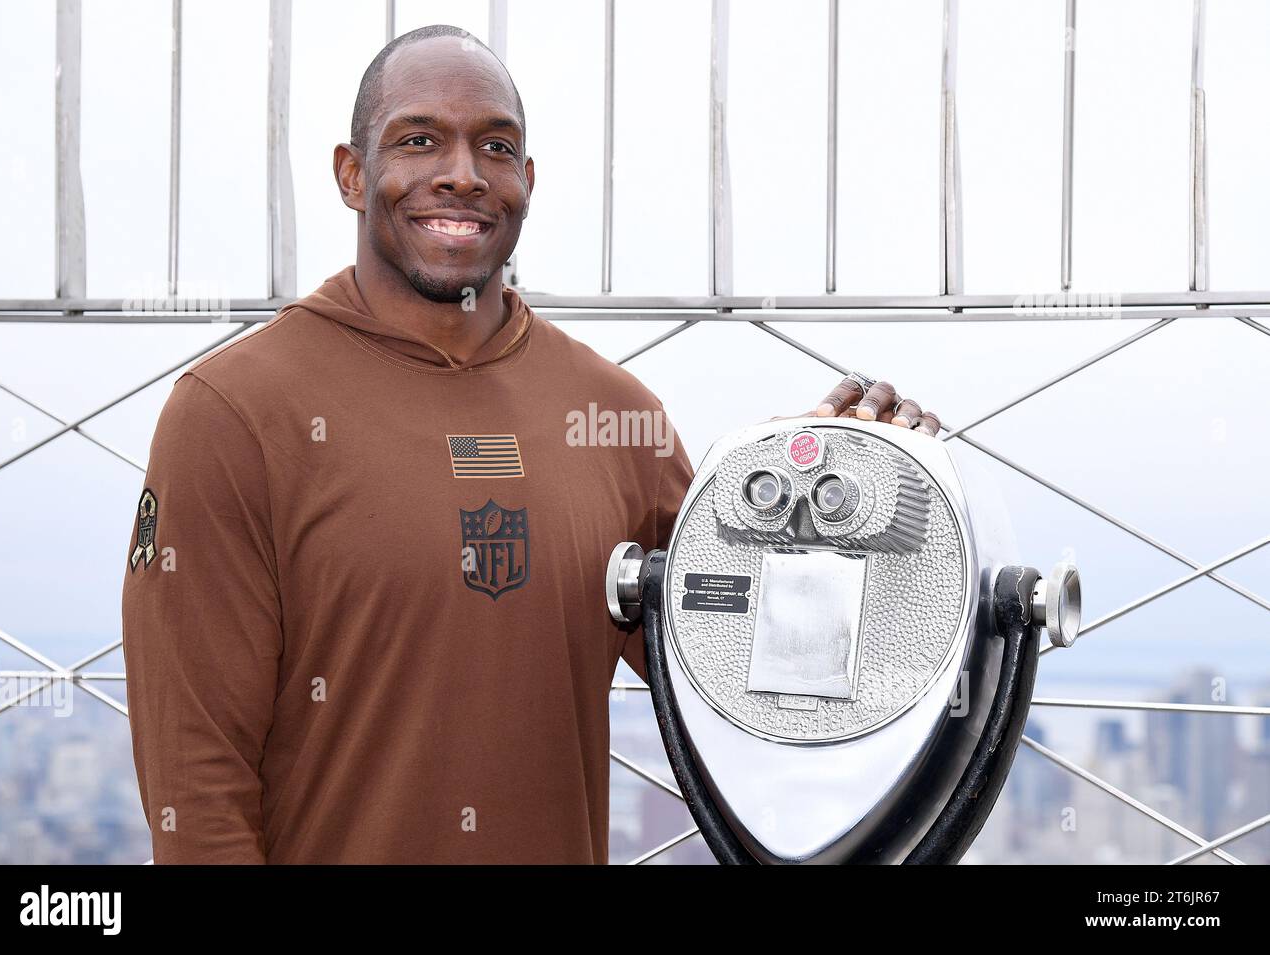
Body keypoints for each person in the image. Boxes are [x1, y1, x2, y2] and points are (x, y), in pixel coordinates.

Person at [121, 23, 941, 864]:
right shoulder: (231, 414)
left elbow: (744, 672)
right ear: (351, 173)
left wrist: (837, 496)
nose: (462, 174)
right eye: (418, 140)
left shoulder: (616, 414)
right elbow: (198, 791)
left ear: (527, 181)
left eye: (496, 147)